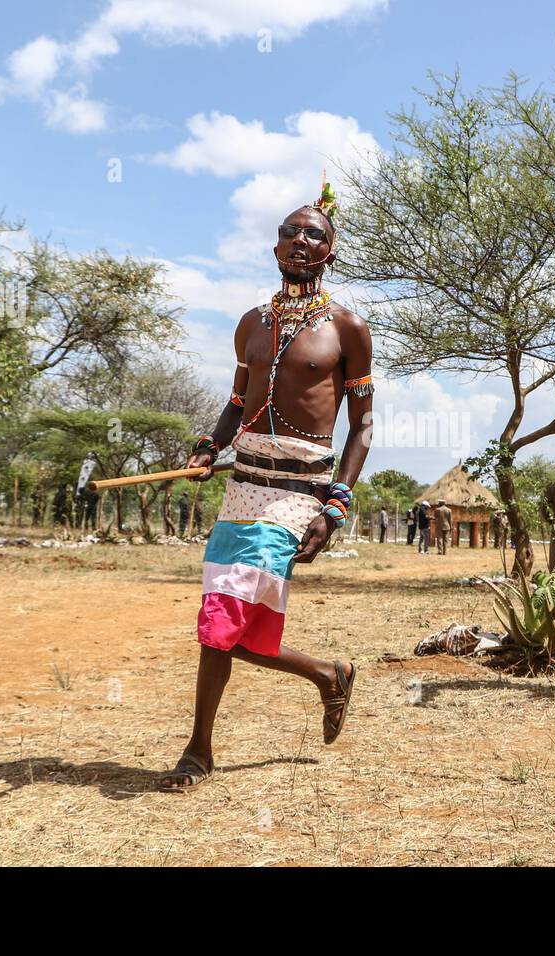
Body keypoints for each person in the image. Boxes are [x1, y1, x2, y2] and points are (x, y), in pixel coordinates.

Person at [158, 184, 374, 791]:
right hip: (243, 483)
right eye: (291, 232)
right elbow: (235, 403)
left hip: (296, 494)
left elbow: (363, 425)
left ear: (330, 252)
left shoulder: (347, 328)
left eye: (315, 235)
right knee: (225, 624)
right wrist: (209, 447)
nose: (301, 242)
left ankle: (198, 750)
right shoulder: (251, 324)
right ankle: (327, 675)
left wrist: (336, 505)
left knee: (219, 618)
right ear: (275, 246)